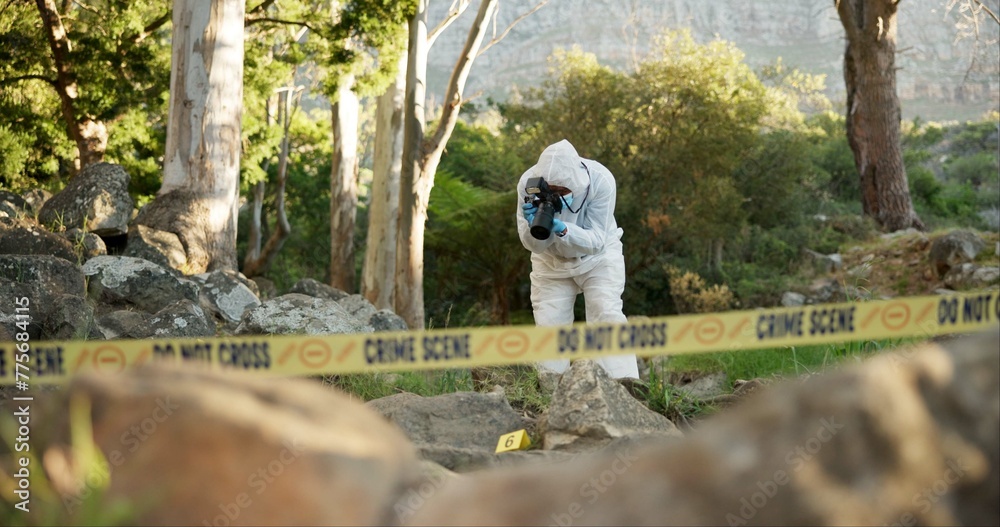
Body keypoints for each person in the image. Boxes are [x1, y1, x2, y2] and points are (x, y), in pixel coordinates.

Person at [516, 139, 640, 382]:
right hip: (550, 262)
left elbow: (596, 241)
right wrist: (534, 227)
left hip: (598, 258)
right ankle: (553, 398)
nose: (555, 197)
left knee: (606, 314)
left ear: (576, 184)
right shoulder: (527, 184)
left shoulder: (601, 180)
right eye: (550, 191)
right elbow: (531, 245)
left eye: (561, 192)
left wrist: (562, 229)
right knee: (550, 325)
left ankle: (626, 389)